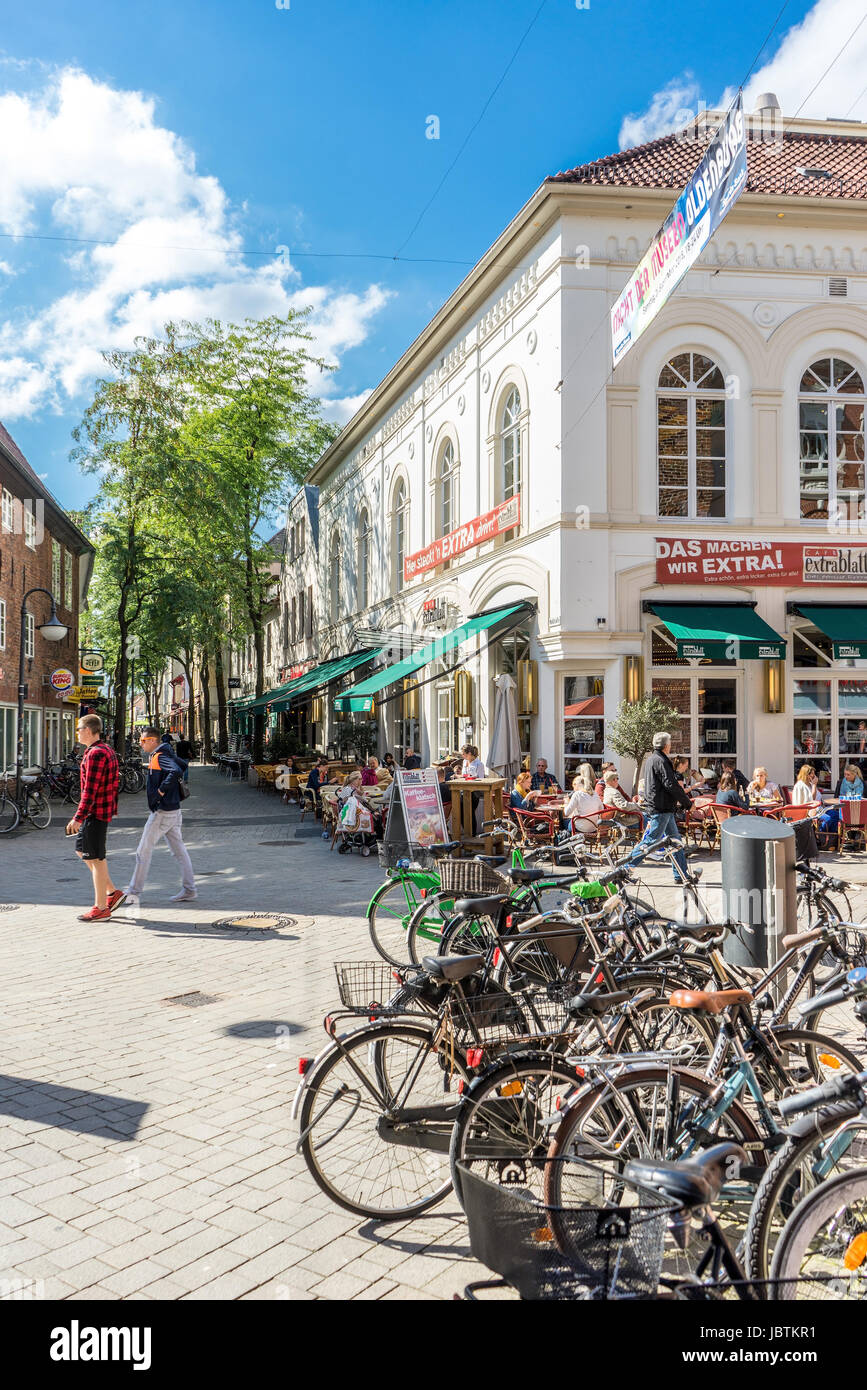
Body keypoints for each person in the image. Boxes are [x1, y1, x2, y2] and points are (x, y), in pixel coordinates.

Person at [122, 728, 196, 905]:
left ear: (153, 740)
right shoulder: (165, 753)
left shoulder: (159, 756)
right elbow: (182, 766)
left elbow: (176, 771)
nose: (140, 744)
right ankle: (190, 889)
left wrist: (161, 791)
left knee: (143, 851)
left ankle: (133, 892)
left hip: (163, 812)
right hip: (174, 810)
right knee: (179, 851)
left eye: (143, 740)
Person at [66, 714, 123, 922]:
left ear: (89, 730)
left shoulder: (96, 754)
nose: (77, 732)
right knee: (83, 852)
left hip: (95, 813)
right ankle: (112, 892)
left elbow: (90, 790)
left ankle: (101, 907)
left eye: (79, 729)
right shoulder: (103, 749)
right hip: (99, 810)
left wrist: (78, 817)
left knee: (97, 859)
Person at [631, 731, 695, 884]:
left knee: (676, 841)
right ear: (667, 745)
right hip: (661, 808)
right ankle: (624, 867)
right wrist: (688, 803)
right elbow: (671, 784)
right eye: (670, 743)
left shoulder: (652, 759)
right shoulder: (662, 760)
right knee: (650, 841)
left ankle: (681, 875)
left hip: (662, 807)